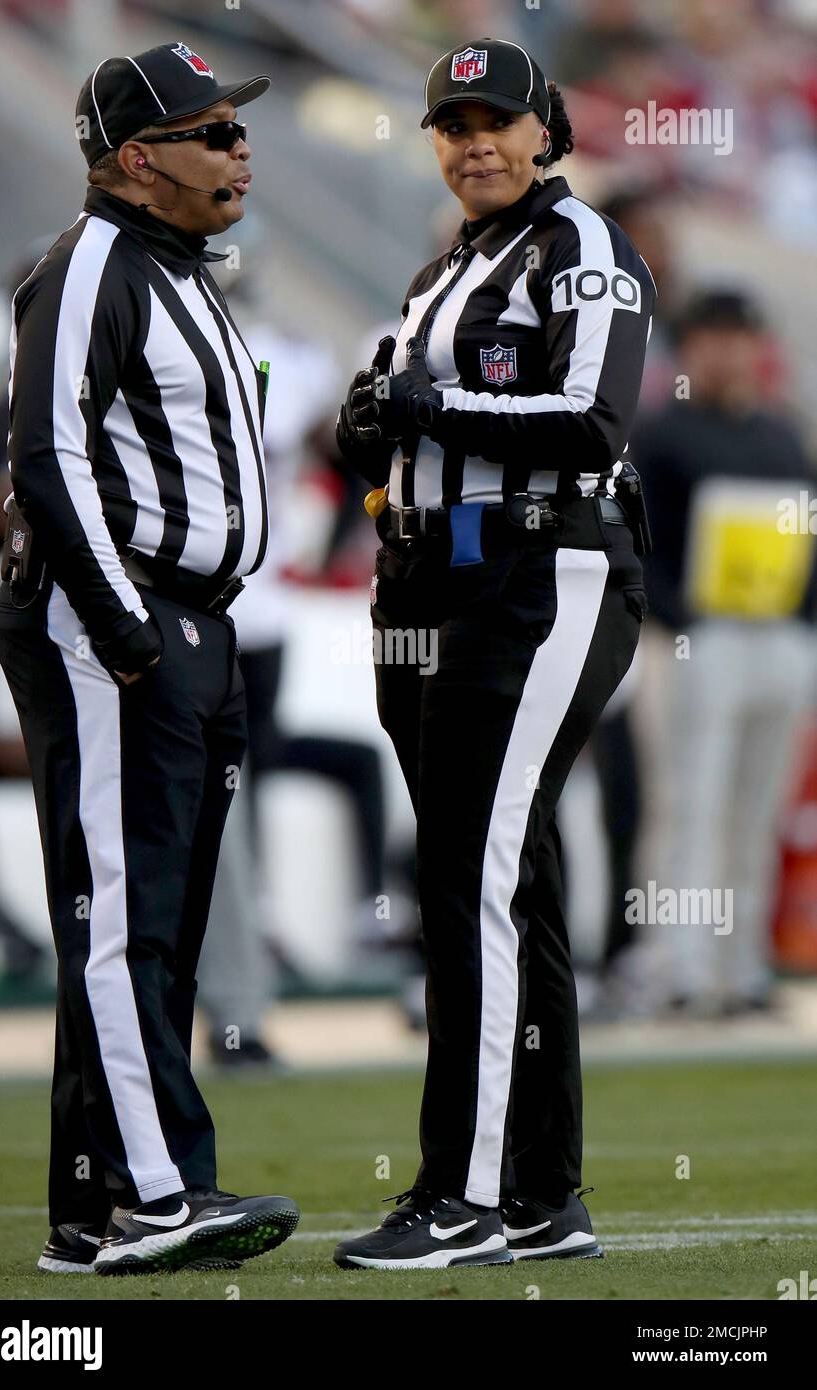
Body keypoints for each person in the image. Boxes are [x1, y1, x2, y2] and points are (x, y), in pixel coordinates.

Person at [333, 37, 656, 1269]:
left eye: (495, 119)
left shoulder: (579, 247)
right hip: (434, 573)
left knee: (471, 870)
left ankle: (460, 1196)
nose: (473, 140)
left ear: (545, 131)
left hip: (542, 569)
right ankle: (538, 1194)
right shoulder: (440, 271)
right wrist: (370, 426)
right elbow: (395, 430)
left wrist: (422, 405)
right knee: (500, 882)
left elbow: (589, 422)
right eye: (450, 121)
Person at [0, 39, 298, 1276]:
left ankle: (92, 1206)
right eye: (212, 133)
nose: (239, 151)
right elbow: (46, 455)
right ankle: (154, 1198)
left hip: (188, 622)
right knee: (124, 919)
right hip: (120, 621)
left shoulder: (177, 269)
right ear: (135, 158)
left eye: (237, 129)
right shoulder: (91, 267)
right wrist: (125, 631)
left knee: (149, 919)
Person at [633, 289, 817, 1016]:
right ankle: (678, 965)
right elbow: (637, 543)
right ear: (688, 349)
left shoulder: (781, 434)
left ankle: (740, 966)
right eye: (713, 338)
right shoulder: (661, 433)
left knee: (757, 809)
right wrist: (679, 618)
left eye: (740, 337)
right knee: (688, 805)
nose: (729, 353)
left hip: (777, 638)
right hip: (695, 641)